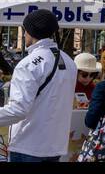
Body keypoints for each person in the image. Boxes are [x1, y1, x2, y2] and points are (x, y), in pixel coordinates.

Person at [0, 10, 76, 162]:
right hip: (54, 146)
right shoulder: (69, 61)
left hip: (29, 145)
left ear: (30, 32)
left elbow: (18, 110)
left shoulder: (28, 64)